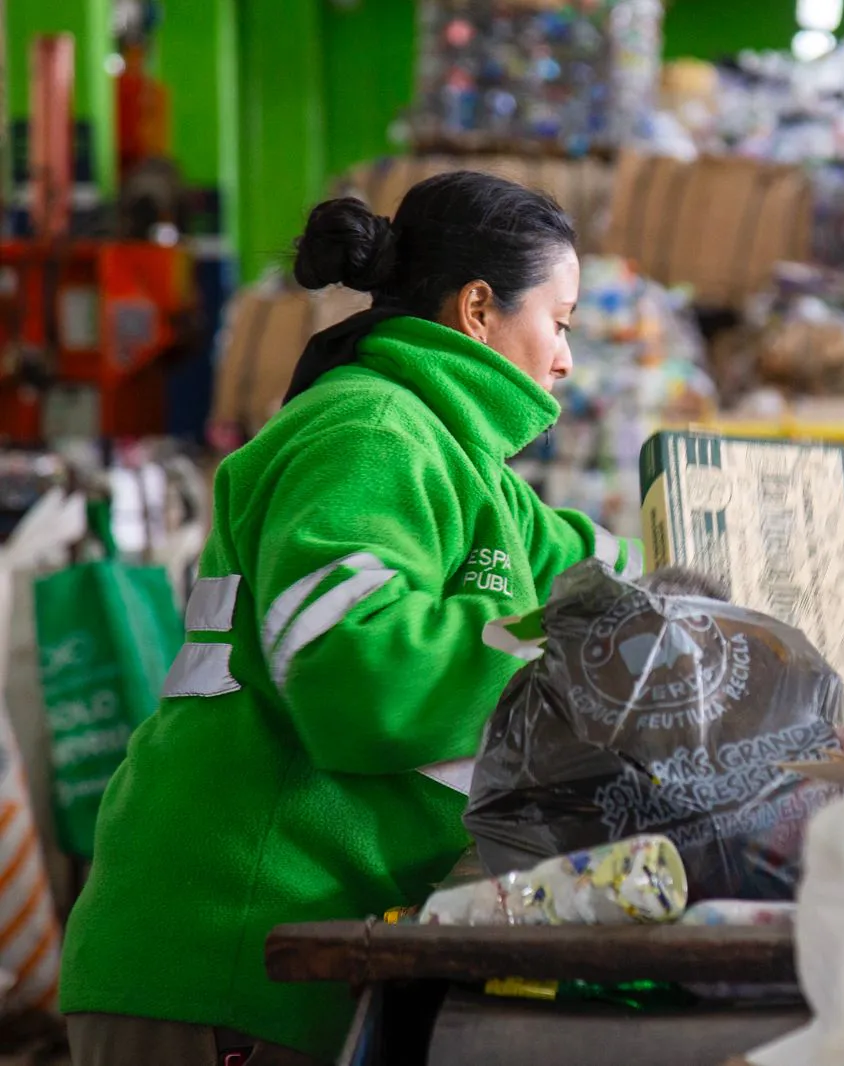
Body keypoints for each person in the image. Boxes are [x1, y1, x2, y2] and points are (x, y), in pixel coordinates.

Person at [61, 172, 641, 1065]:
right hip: (230, 943)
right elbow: (351, 665)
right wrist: (565, 642)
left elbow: (585, 563)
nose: (565, 359)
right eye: (559, 324)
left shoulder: (463, 462)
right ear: (479, 308)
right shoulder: (369, 432)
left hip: (294, 945)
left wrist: (695, 598)